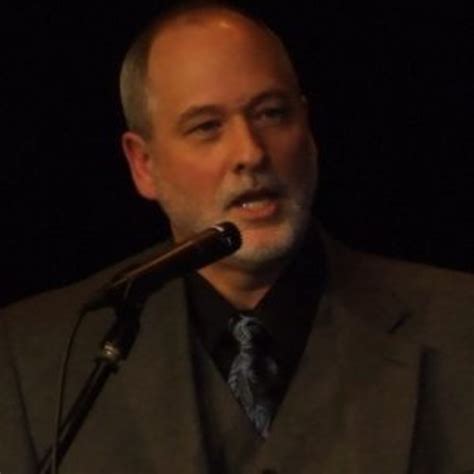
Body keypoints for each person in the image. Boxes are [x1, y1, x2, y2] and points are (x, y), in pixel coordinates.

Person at [1, 2, 473, 473]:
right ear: (143, 164)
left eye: (271, 114)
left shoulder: (458, 325)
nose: (250, 152)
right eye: (207, 127)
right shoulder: (35, 356)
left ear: (307, 129)